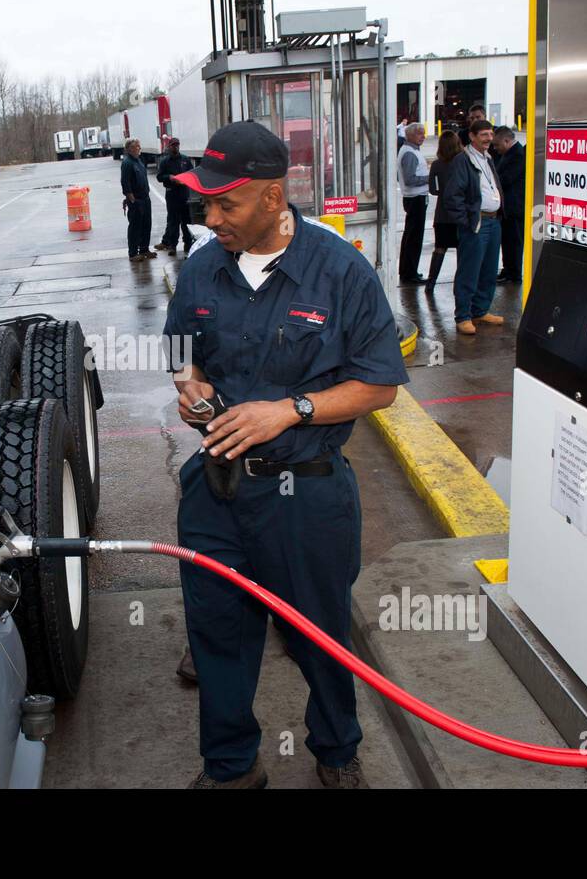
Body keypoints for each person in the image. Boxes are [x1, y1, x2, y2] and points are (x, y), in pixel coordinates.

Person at [163, 121, 408, 789]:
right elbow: (181, 352)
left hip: (308, 494)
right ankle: (232, 767)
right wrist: (193, 389)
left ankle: (334, 749)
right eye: (203, 204)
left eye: (225, 204)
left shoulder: (341, 272)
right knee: (217, 633)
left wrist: (290, 409)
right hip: (216, 490)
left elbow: (380, 383)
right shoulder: (202, 268)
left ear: (273, 198)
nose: (212, 219)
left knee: (319, 636)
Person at [442, 118, 505, 335]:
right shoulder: (463, 160)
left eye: (490, 134)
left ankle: (480, 310)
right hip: (477, 223)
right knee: (469, 270)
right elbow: (452, 196)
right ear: (472, 136)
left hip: (493, 220)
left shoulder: (487, 158)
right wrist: (466, 221)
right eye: (484, 135)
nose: (489, 138)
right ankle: (463, 315)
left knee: (489, 269)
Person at [426, 130, 463, 290]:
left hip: (442, 214)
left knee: (440, 248)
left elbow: (433, 189)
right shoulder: (463, 162)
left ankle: (431, 283)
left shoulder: (436, 164)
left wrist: (444, 192)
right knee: (462, 250)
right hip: (460, 213)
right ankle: (459, 284)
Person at [396, 122, 429, 285]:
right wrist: (429, 179)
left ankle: (409, 271)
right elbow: (409, 179)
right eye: (419, 133)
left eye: (423, 133)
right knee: (413, 237)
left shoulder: (412, 151)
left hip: (416, 197)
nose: (423, 136)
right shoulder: (409, 153)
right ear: (409, 135)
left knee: (412, 236)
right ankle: (409, 273)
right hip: (415, 198)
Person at [492, 126, 526, 284]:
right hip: (508, 208)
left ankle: (514, 274)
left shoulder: (518, 155)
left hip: (515, 207)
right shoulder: (510, 154)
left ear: (506, 141)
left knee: (514, 241)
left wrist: (492, 183)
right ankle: (508, 270)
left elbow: (506, 179)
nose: (495, 148)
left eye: (497, 145)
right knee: (507, 241)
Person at [155, 137, 196, 254]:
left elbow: (192, 174)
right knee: (173, 221)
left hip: (184, 194)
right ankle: (172, 246)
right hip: (172, 195)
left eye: (177, 145)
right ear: (169, 146)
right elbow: (159, 177)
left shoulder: (185, 160)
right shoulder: (165, 161)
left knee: (186, 221)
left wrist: (186, 179)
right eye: (173, 145)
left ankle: (188, 244)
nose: (175, 147)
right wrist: (169, 177)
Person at [121, 138, 154, 262]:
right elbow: (125, 182)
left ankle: (144, 249)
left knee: (146, 225)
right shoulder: (127, 163)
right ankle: (133, 253)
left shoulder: (139, 161)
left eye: (139, 146)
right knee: (135, 227)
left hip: (145, 198)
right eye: (136, 146)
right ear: (129, 149)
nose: (139, 148)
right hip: (136, 200)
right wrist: (130, 197)